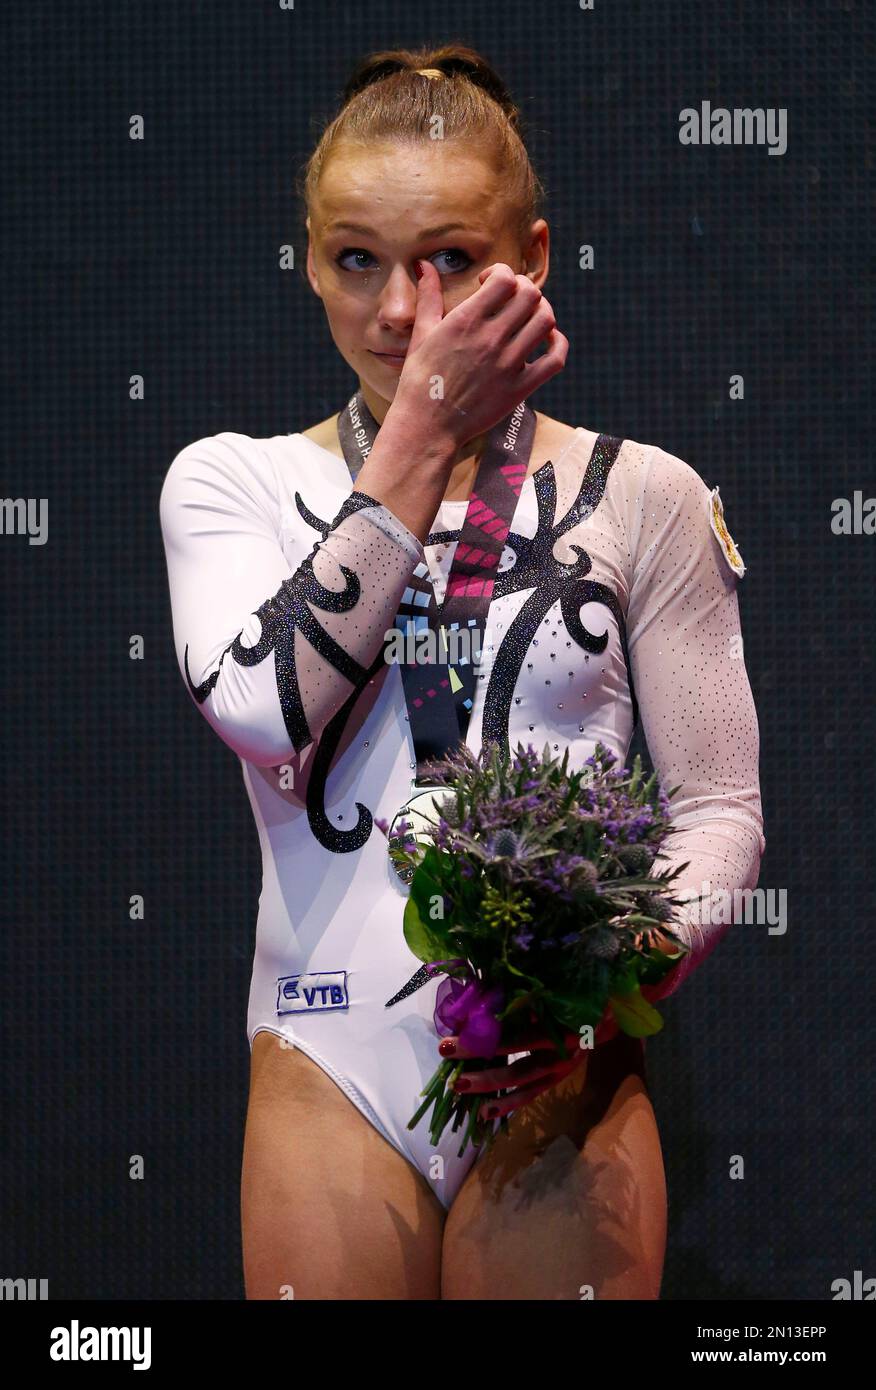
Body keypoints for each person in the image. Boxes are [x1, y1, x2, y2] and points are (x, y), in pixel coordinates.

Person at [159, 44, 765, 1300]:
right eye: (357, 258)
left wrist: (604, 982)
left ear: (532, 257)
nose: (400, 310)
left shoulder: (645, 495)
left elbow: (720, 812)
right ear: (311, 258)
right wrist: (424, 436)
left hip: (566, 1074)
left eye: (449, 258)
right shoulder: (234, 483)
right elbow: (261, 713)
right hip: (329, 1060)